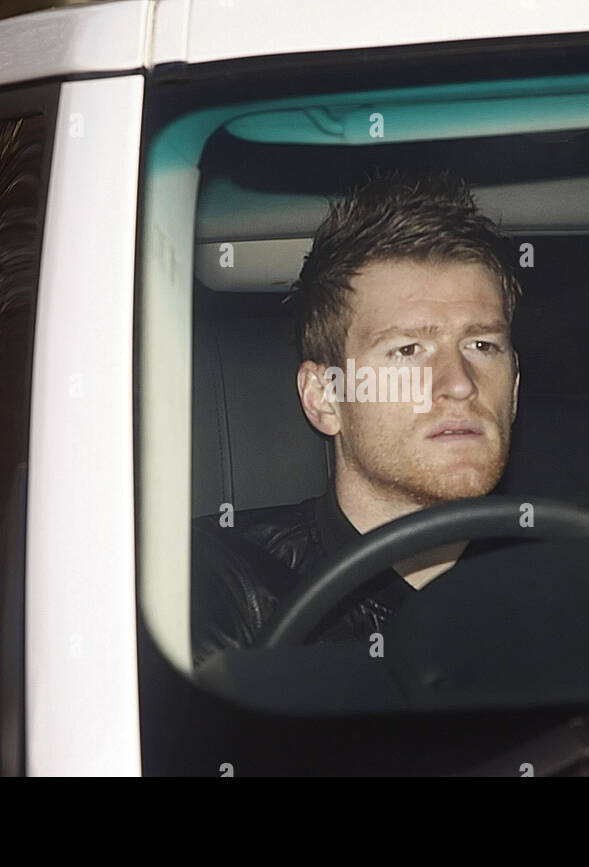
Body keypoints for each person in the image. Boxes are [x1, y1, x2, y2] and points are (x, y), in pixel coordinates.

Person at [191, 167, 522, 666]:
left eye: (481, 344)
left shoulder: (566, 584)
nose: (459, 383)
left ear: (515, 389)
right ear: (325, 397)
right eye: (408, 349)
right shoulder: (226, 586)